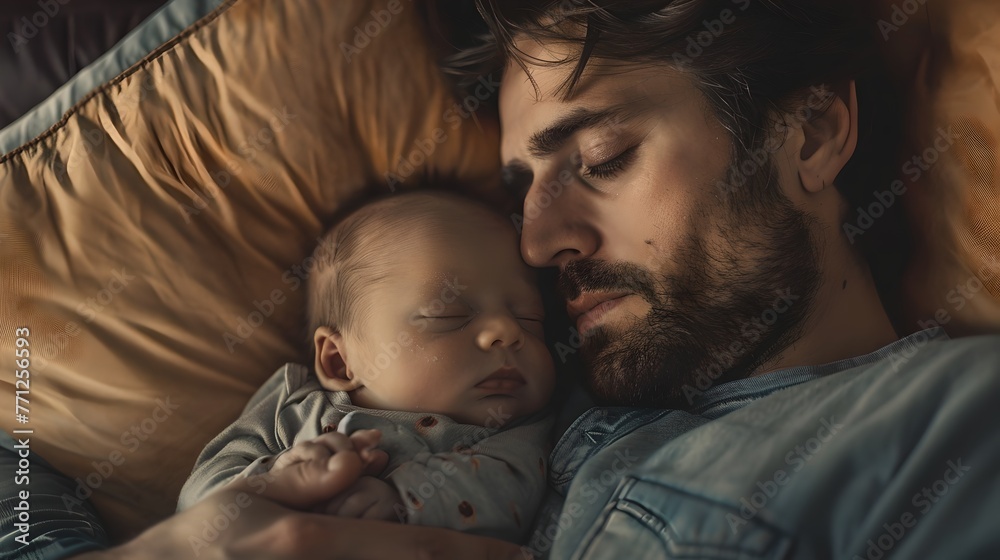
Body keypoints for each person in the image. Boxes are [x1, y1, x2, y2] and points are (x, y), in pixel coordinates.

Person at [7, 0, 999, 558]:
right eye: (522, 188)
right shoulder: (537, 405)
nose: (534, 244)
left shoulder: (954, 423)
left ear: (810, 133)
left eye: (602, 158)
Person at [176, 190, 555, 543]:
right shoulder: (290, 406)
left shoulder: (516, 429)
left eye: (530, 318)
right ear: (339, 361)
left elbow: (513, 490)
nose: (508, 331)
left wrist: (403, 498)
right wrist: (272, 478)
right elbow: (200, 494)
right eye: (448, 314)